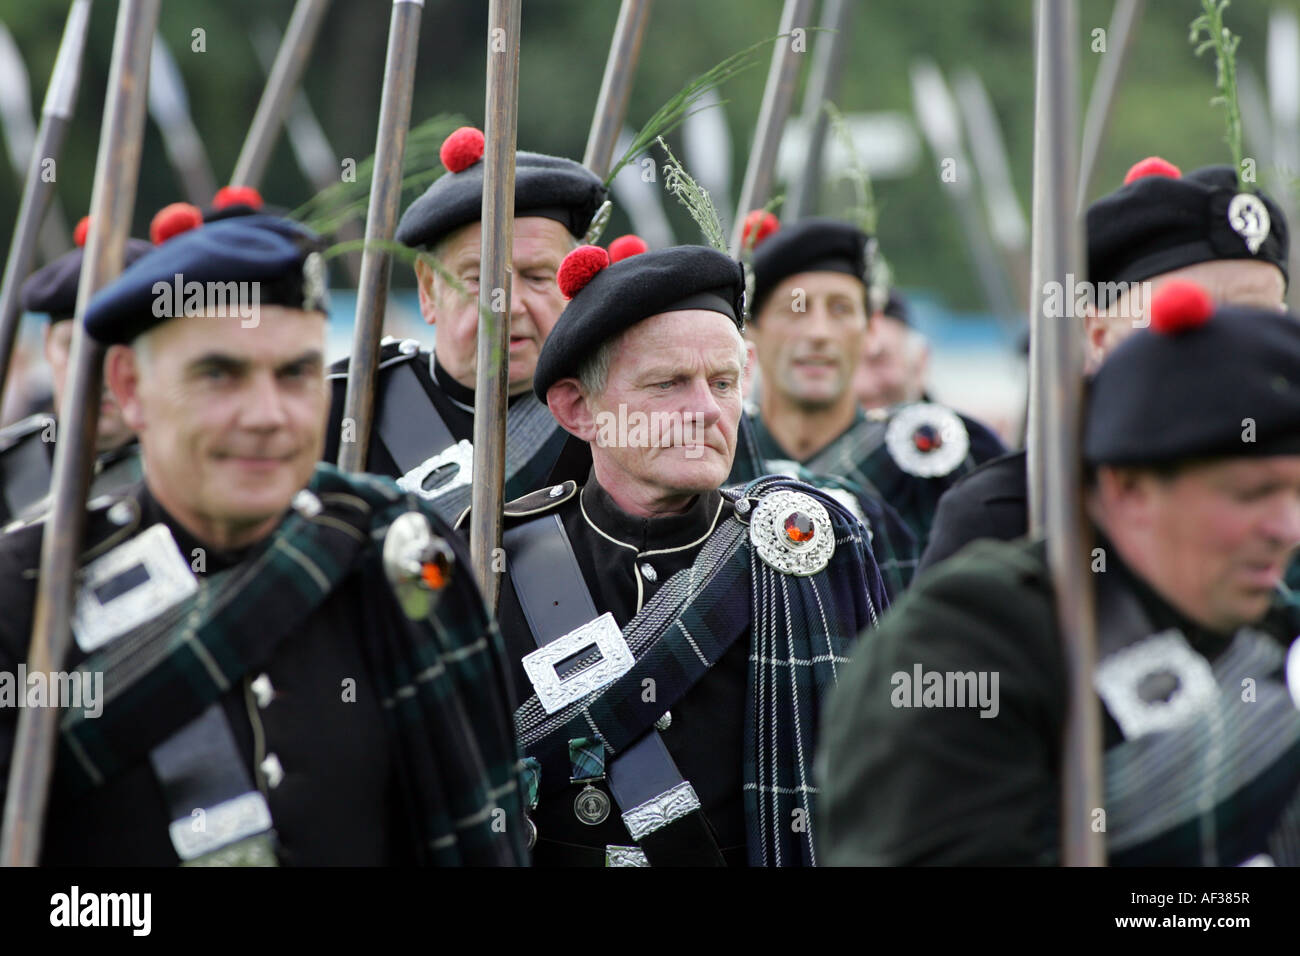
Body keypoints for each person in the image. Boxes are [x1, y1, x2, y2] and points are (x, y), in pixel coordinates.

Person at [0, 214, 527, 866]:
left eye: (296, 374)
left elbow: (483, 837)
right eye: (219, 375)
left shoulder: (400, 551)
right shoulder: (27, 592)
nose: (267, 415)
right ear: (130, 388)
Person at [819, 280, 1300, 865]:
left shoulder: (1271, 639)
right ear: (1127, 488)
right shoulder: (961, 651)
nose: (1287, 529)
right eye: (1252, 493)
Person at [473, 242, 886, 866]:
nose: (705, 412)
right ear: (578, 409)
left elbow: (882, 776)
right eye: (668, 384)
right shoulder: (494, 559)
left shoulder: (805, 548)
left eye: (723, 383)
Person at [919, 158, 1290, 573]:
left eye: (1260, 319)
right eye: (1195, 320)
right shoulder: (1007, 514)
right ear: (1099, 337)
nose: (1233, 346)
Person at [322, 125, 608, 522]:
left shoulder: (613, 414)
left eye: (538, 276)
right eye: (481, 279)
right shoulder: (345, 408)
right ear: (427, 287)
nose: (509, 305)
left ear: (572, 285)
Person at [741, 215, 1005, 554]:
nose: (819, 333)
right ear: (751, 329)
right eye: (796, 309)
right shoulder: (714, 467)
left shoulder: (933, 471)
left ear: (871, 329)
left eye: (840, 309)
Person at [0, 219, 151, 525]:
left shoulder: (193, 474)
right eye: (74, 347)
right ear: (46, 346)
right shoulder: (10, 469)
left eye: (119, 351)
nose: (101, 375)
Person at [853, 288, 928, 410]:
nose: (861, 386)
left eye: (879, 361)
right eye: (849, 362)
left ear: (919, 364)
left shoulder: (955, 428)